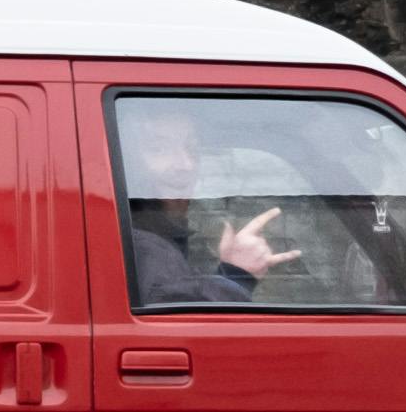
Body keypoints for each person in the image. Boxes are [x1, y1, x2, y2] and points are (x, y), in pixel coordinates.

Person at [118, 101, 300, 308]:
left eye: (192, 149)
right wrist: (236, 275)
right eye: (158, 149)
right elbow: (180, 333)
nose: (185, 164)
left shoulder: (157, 239)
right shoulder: (142, 249)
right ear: (128, 161)